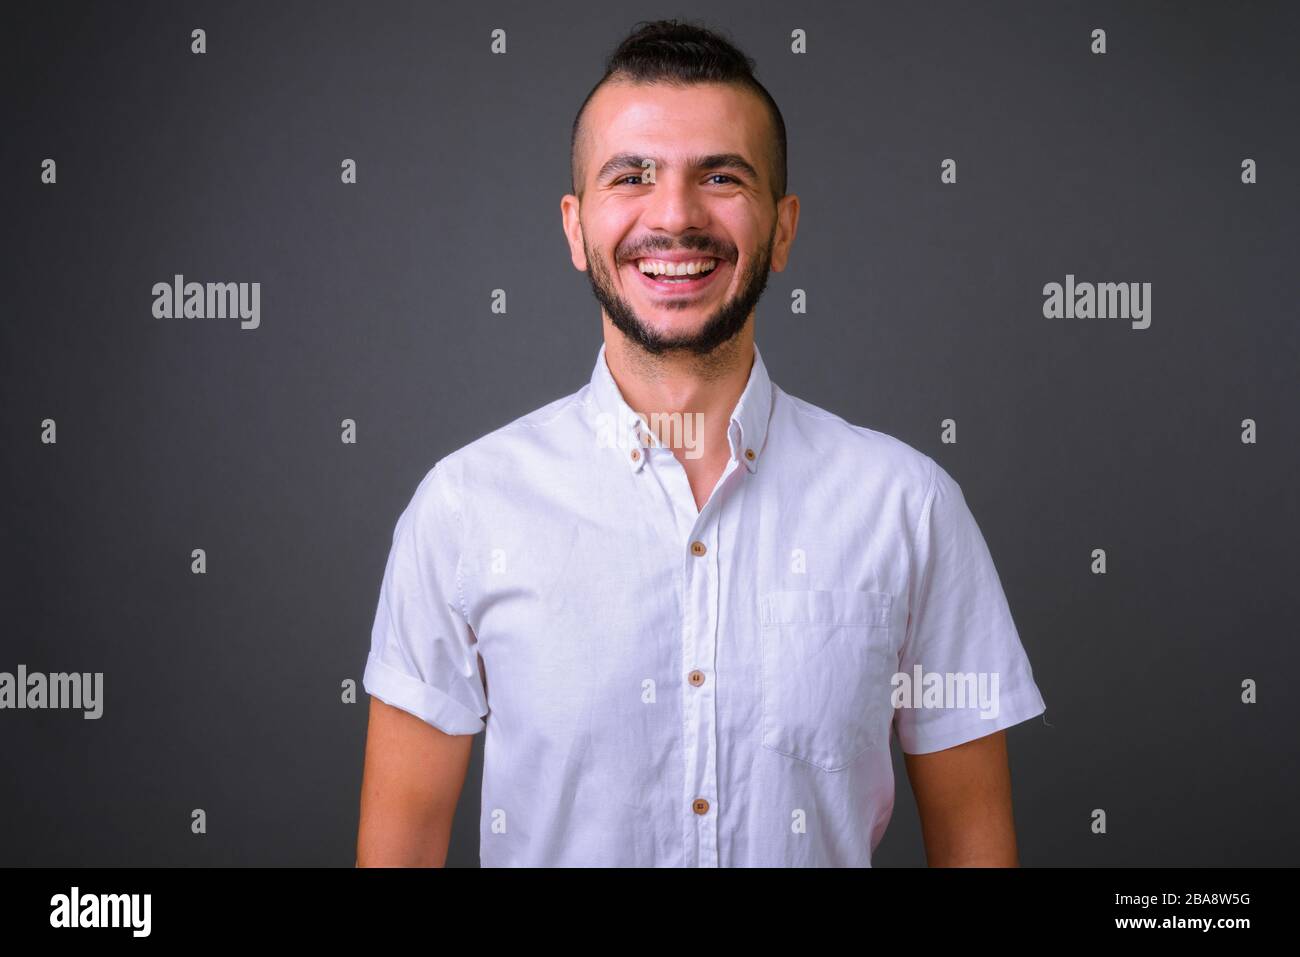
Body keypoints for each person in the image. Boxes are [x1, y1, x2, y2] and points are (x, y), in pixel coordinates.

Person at [356, 18, 1046, 867]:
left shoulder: (910, 508)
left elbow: (977, 846)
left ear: (783, 229)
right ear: (575, 229)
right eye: (631, 176)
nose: (675, 216)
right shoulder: (463, 511)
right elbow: (399, 854)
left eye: (721, 176)